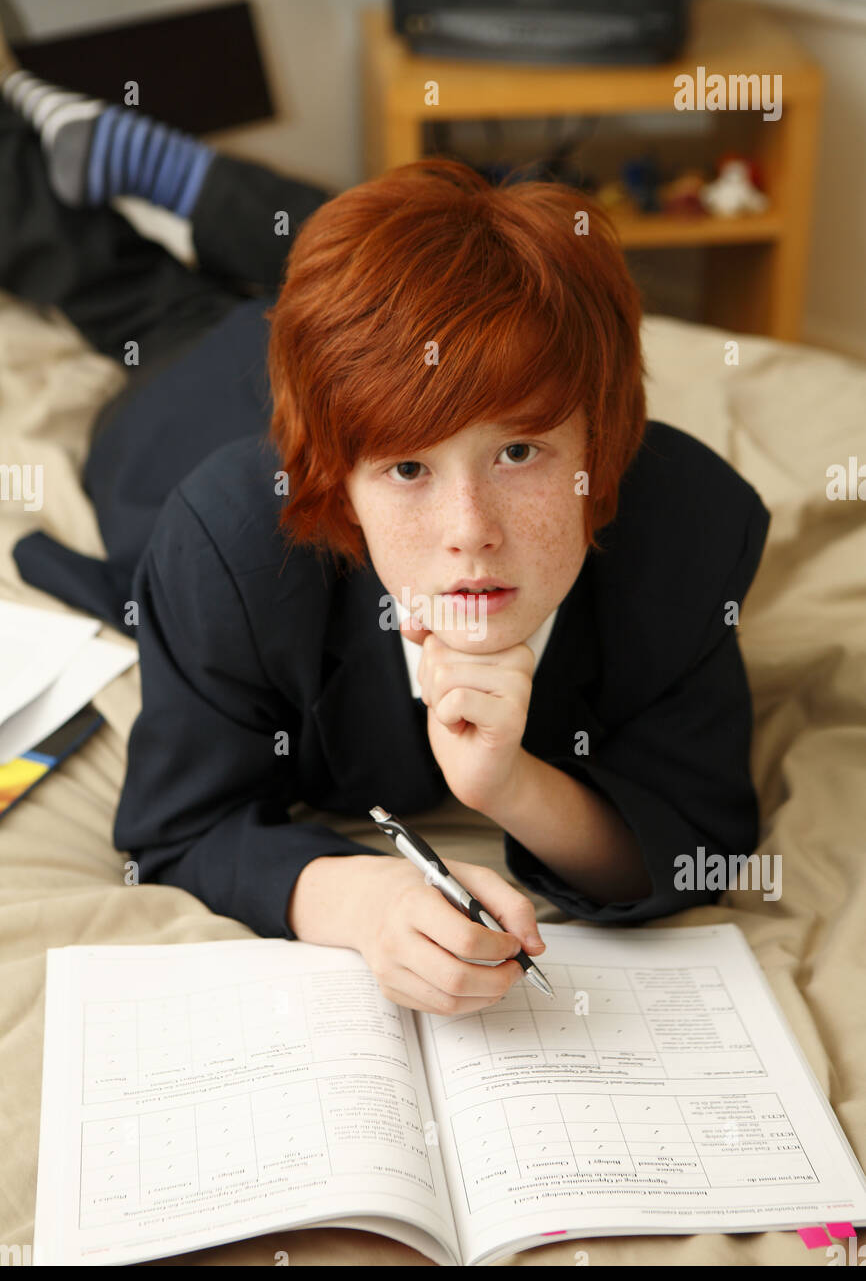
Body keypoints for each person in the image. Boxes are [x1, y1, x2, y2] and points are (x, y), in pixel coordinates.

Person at [1, 65, 770, 1019]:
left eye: (522, 452)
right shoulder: (224, 540)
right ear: (346, 488)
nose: (470, 536)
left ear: (600, 447)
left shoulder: (690, 527)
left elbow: (694, 832)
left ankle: (163, 172)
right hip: (189, 401)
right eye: (409, 472)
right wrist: (364, 902)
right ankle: (65, 150)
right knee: (131, 302)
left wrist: (511, 783)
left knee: (443, 267)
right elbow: (180, 826)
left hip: (373, 382)